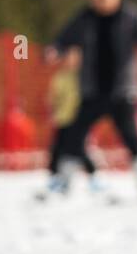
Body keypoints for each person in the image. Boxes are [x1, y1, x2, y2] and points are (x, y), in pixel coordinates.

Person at [45, 0, 137, 199]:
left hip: (123, 90)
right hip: (92, 89)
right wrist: (55, 50)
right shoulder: (84, 18)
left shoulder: (131, 16)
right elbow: (63, 39)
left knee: (130, 135)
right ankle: (63, 182)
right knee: (74, 135)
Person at [40, 48, 102, 195]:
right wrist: (53, 110)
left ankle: (93, 176)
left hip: (78, 119)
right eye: (68, 57)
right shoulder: (60, 77)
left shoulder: (83, 77)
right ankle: (54, 178)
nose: (71, 60)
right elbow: (54, 97)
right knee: (57, 149)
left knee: (78, 148)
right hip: (62, 118)